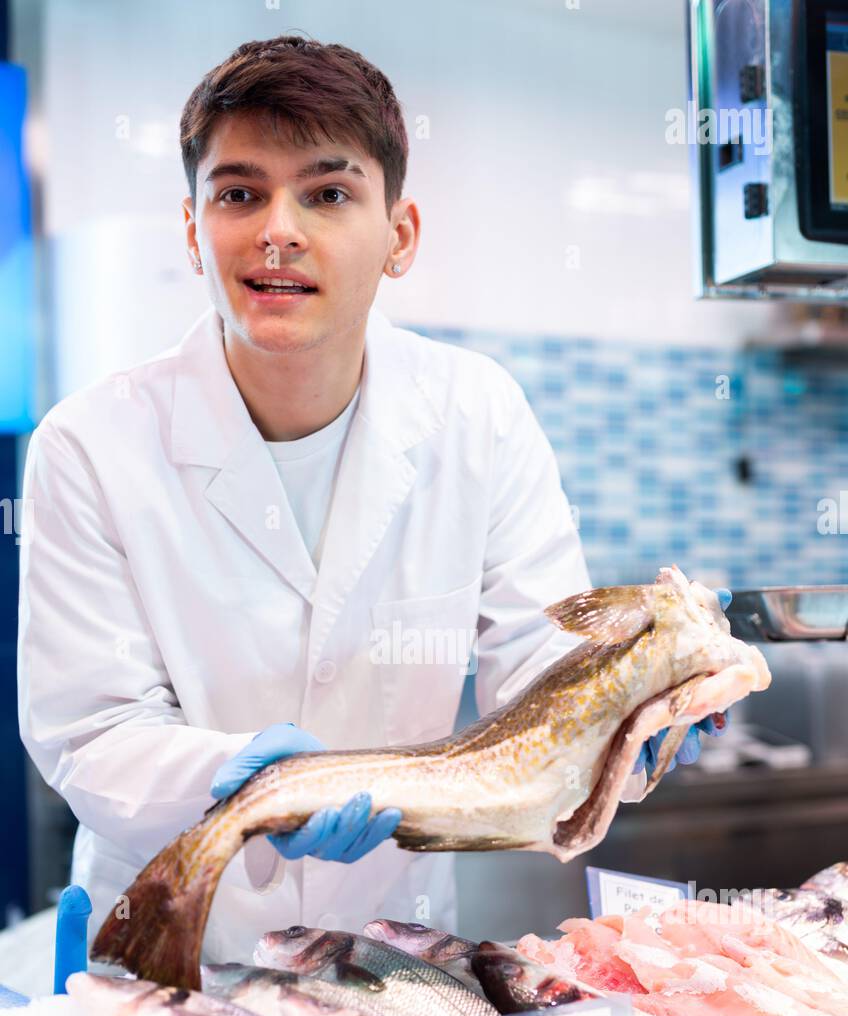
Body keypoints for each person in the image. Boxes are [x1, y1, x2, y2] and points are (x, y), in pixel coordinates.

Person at [17, 35, 723, 965]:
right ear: (193, 230)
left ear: (400, 236)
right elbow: (90, 729)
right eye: (239, 193)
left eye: (328, 192)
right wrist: (228, 780)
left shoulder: (479, 415)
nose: (280, 228)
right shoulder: (88, 445)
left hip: (389, 942)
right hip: (172, 935)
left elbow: (540, 691)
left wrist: (638, 714)